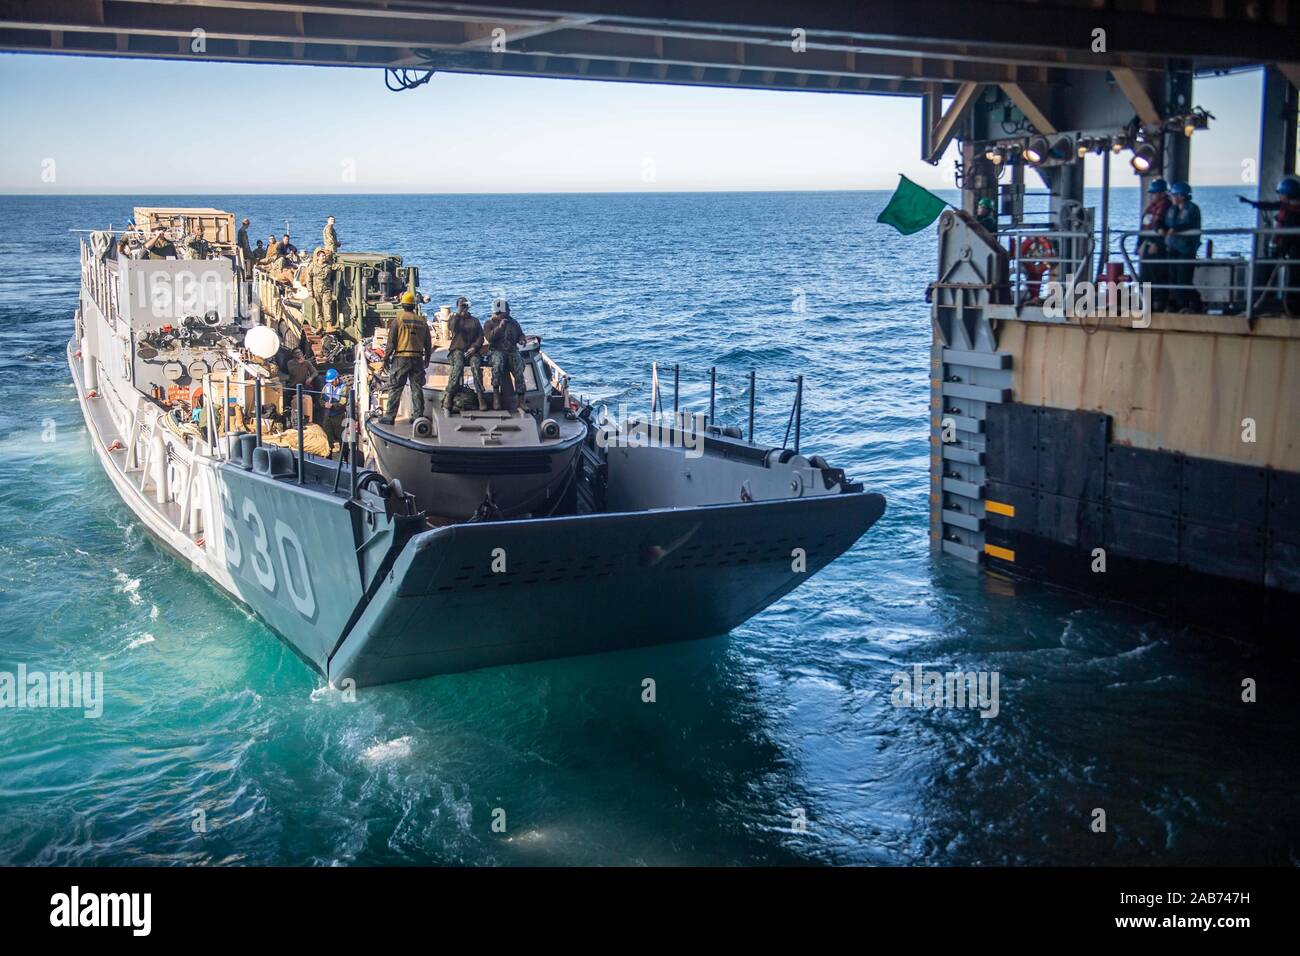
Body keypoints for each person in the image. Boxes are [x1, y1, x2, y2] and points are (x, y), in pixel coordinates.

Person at [379, 290, 431, 425]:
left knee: (396, 387)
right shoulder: (422, 321)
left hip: (401, 357)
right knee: (417, 388)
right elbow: (428, 342)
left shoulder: (398, 320)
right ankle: (418, 415)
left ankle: (390, 417)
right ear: (414, 305)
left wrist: (385, 359)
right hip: (417, 358)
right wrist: (427, 358)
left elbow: (391, 342)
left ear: (402, 305)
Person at [1162, 180, 1202, 313]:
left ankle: (1193, 302)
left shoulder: (1192, 209)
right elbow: (1167, 222)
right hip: (1173, 247)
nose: (1171, 197)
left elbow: (1188, 222)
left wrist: (1175, 228)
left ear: (1182, 196)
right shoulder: (1172, 209)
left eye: (1174, 195)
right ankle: (1177, 304)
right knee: (1173, 277)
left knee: (1184, 278)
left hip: (1186, 249)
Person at [482, 298, 527, 411]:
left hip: (511, 350)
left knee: (518, 367)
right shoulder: (489, 323)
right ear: (499, 312)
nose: (508, 313)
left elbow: (520, 334)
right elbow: (489, 338)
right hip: (496, 350)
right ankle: (496, 396)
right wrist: (500, 327)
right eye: (506, 311)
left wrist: (522, 339)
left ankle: (521, 401)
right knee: (497, 365)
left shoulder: (513, 322)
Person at [443, 296, 486, 412]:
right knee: (457, 366)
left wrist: (475, 347)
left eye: (465, 305)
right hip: (457, 349)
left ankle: (480, 396)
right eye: (461, 305)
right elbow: (452, 327)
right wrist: (458, 314)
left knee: (476, 366)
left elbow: (481, 337)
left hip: (472, 351)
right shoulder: (454, 318)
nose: (464, 308)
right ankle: (449, 395)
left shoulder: (475, 321)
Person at [1139, 179, 1172, 312]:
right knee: (1146, 276)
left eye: (1154, 193)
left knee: (1159, 276)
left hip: (1160, 248)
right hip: (1147, 245)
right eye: (1151, 194)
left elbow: (1164, 228)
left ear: (1162, 194)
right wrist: (1139, 244)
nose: (1151, 196)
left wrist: (1158, 244)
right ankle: (1147, 302)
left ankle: (1160, 304)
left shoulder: (1167, 208)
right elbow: (1143, 227)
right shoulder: (1150, 210)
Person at [307, 248, 338, 332]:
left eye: (324, 256)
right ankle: (319, 324)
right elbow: (308, 279)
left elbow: (335, 268)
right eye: (322, 256)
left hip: (326, 289)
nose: (324, 257)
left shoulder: (328, 265)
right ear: (318, 257)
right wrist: (310, 291)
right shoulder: (312, 266)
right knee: (318, 307)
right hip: (316, 290)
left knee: (327, 305)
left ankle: (328, 325)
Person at [320, 367, 350, 449]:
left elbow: (343, 402)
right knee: (327, 437)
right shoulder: (326, 386)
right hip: (327, 416)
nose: (331, 383)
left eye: (332, 381)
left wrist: (333, 405)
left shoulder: (343, 388)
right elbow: (321, 399)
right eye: (330, 382)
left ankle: (344, 458)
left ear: (337, 378)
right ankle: (328, 456)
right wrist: (324, 404)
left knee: (342, 438)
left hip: (338, 416)